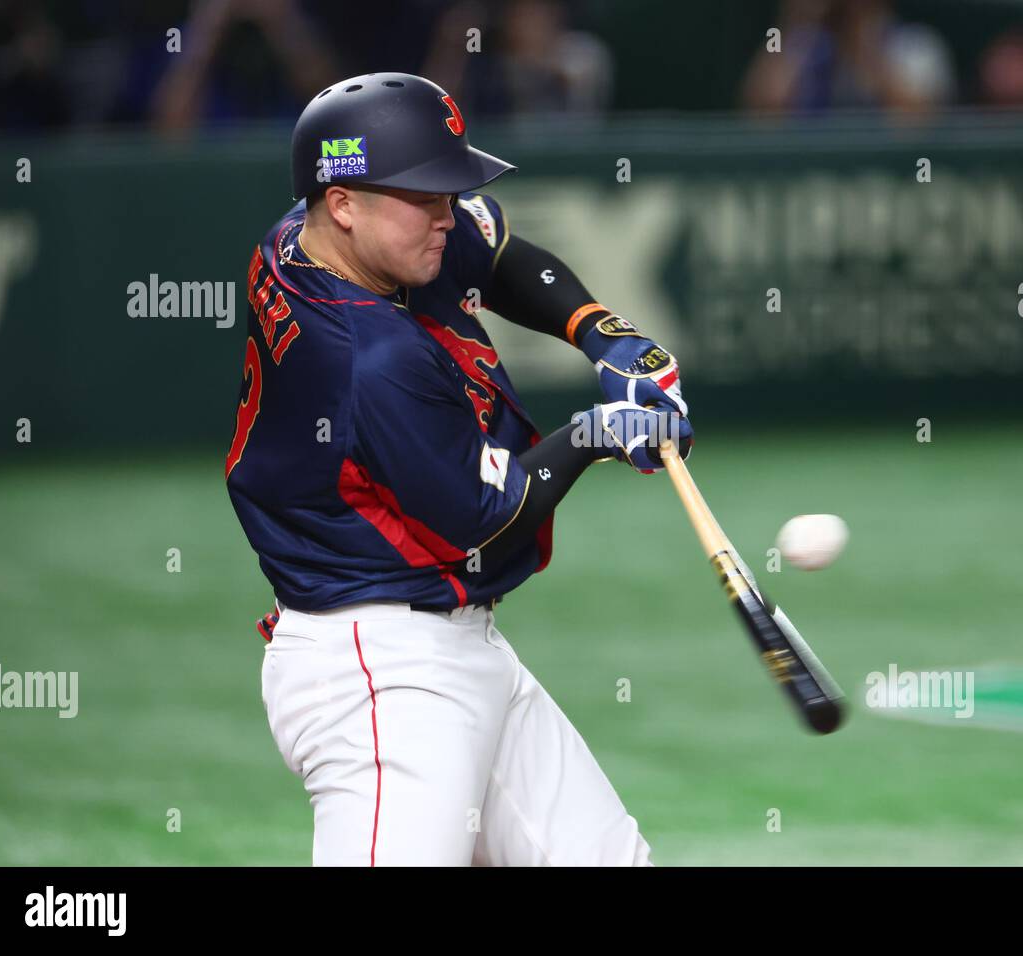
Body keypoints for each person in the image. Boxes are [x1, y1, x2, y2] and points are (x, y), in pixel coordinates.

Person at [224, 72, 692, 866]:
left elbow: (498, 253)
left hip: (454, 648)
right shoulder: (365, 360)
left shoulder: (311, 237)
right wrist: (600, 432)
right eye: (426, 195)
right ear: (343, 203)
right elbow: (486, 512)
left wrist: (603, 333)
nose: (447, 214)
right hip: (378, 673)